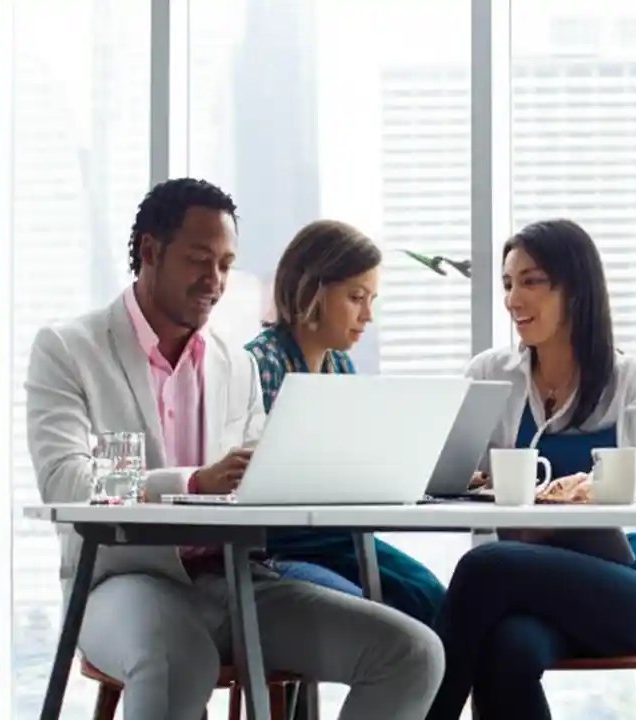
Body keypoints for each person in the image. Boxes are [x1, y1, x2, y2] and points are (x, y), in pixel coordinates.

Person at [26, 178, 443, 720]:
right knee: (180, 660)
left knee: (411, 653)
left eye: (226, 264)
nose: (215, 281)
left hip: (237, 581)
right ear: (150, 251)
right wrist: (193, 483)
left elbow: (266, 482)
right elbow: (68, 484)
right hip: (123, 582)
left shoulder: (234, 363)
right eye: (200, 260)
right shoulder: (70, 350)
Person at [424, 219, 636, 719]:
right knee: (506, 649)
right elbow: (442, 471)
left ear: (575, 287)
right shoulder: (490, 374)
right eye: (508, 283)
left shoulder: (629, 376)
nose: (513, 298)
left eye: (531, 281)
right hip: (527, 587)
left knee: (484, 566)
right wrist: (473, 482)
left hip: (627, 582)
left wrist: (597, 485)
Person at [245, 219, 446, 625]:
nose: (367, 315)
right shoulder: (259, 363)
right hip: (282, 544)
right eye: (356, 297)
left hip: (340, 536)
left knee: (431, 597)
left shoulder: (341, 366)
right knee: (397, 611)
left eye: (371, 299)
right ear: (312, 290)